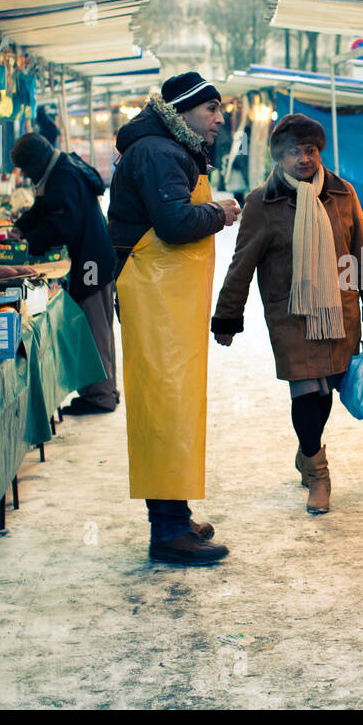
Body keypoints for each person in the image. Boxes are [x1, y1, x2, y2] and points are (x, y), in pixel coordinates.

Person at [211, 114, 363, 515]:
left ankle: (306, 453)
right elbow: (242, 264)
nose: (304, 159)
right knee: (308, 392)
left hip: (338, 311)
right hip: (291, 315)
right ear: (280, 156)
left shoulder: (343, 194)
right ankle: (318, 473)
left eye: (310, 150)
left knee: (325, 388)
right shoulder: (263, 200)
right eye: (294, 152)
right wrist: (228, 317)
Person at [109, 73, 241, 565]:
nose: (220, 119)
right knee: (164, 406)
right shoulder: (160, 152)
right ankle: (166, 532)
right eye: (211, 110)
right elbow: (174, 223)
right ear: (184, 111)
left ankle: (176, 514)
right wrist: (221, 212)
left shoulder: (165, 146)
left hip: (166, 298)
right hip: (154, 297)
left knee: (176, 403)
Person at [10, 133, 118, 414]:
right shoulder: (62, 168)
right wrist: (23, 226)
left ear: (35, 162)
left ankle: (99, 397)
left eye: (25, 168)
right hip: (95, 256)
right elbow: (46, 208)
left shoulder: (62, 177)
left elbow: (63, 224)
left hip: (91, 262)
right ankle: (105, 391)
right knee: (100, 327)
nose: (26, 175)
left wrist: (30, 243)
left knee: (93, 327)